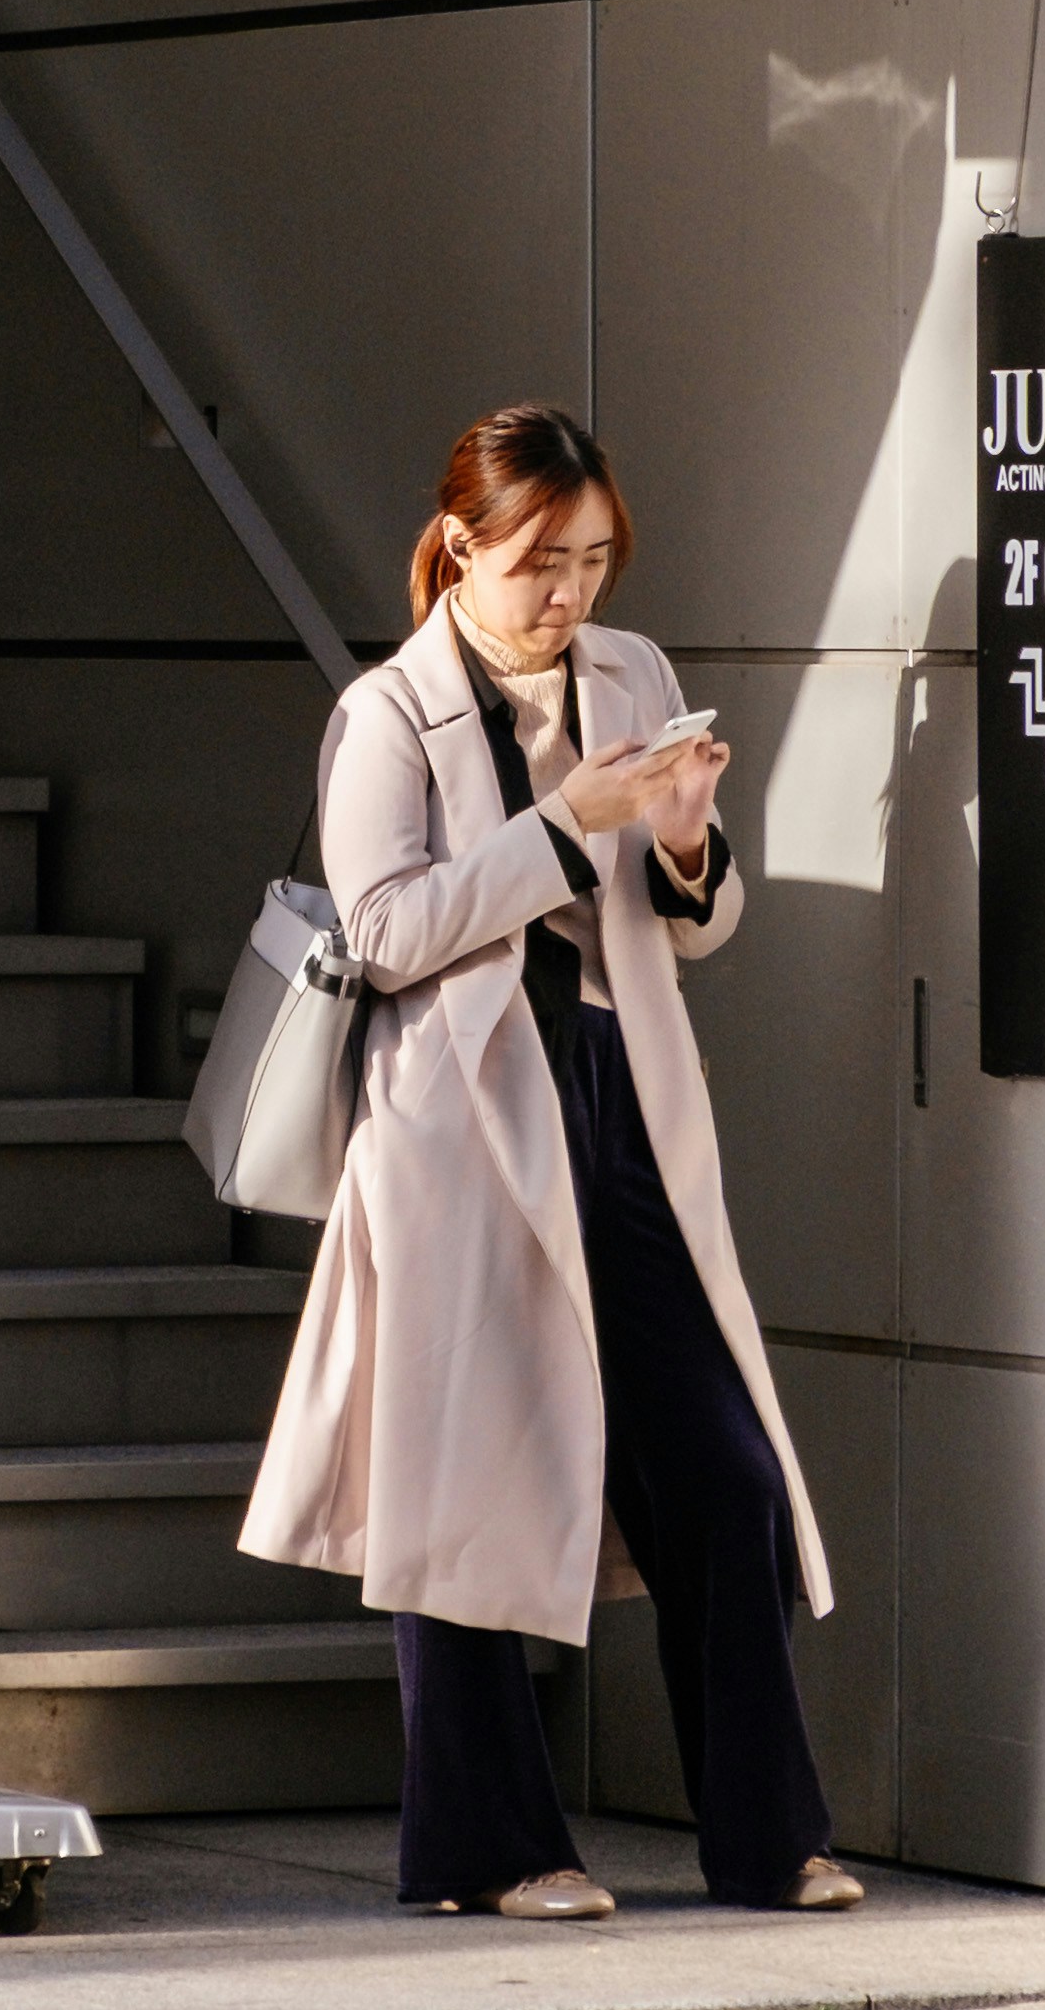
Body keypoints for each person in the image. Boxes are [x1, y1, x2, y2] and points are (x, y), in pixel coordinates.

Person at [239, 401, 861, 1924]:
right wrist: (573, 831)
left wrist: (692, 846)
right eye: (541, 564)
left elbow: (688, 929)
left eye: (592, 561)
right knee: (461, 1488)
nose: (571, 594)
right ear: (462, 545)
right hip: (457, 1130)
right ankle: (493, 1848)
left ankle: (766, 1838)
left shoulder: (631, 673)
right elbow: (380, 932)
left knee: (723, 1470)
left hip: (621, 1097)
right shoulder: (389, 713)